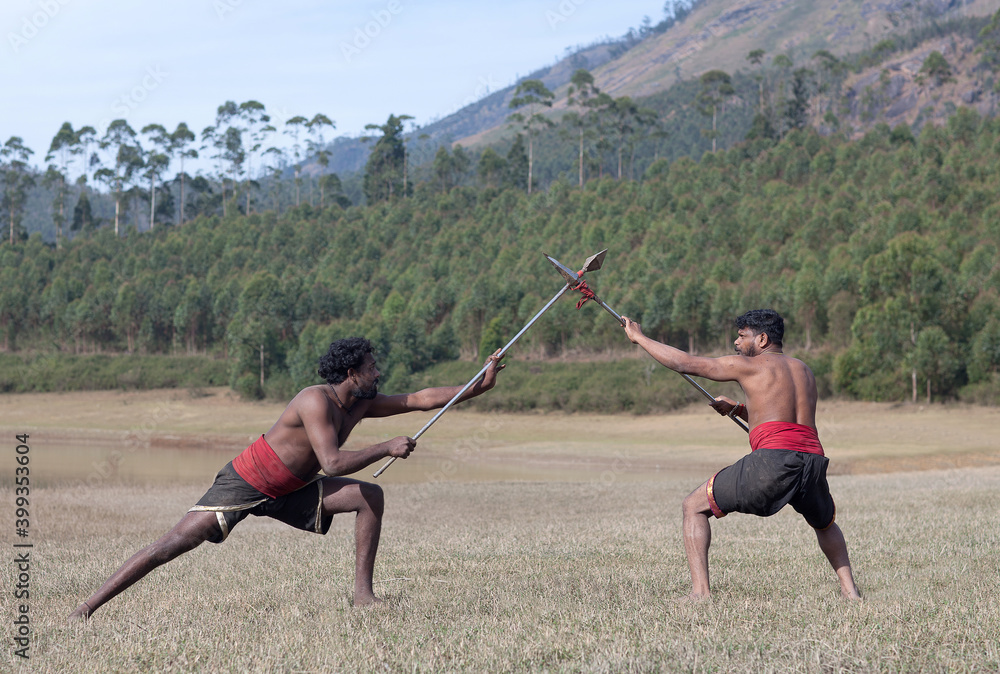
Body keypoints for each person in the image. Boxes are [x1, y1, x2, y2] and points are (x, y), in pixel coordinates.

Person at [70, 337, 505, 620]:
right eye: (372, 367)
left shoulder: (362, 403)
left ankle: (363, 596)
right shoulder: (314, 401)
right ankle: (87, 607)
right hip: (246, 483)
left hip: (294, 488)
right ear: (351, 372)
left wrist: (477, 387)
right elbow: (332, 463)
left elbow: (422, 399)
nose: (378, 373)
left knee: (369, 496)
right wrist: (383, 447)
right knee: (171, 546)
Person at [621, 309, 860, 601]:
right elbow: (784, 417)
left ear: (762, 338)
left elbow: (685, 363)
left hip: (773, 461)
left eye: (741, 335)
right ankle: (851, 593)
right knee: (824, 523)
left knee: (693, 506)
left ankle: (700, 593)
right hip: (812, 461)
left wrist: (640, 338)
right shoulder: (803, 369)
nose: (736, 342)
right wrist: (737, 409)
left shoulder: (749, 366)